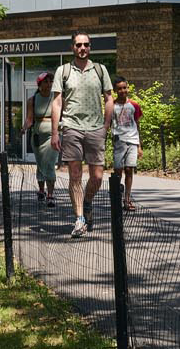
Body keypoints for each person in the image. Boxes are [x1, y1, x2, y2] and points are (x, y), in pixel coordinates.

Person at [48, 33, 112, 238]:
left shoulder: (100, 70)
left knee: (97, 177)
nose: (82, 48)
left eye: (85, 44)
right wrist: (55, 132)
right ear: (72, 47)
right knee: (75, 176)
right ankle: (79, 219)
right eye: (78, 45)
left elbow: (108, 98)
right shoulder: (63, 71)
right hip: (71, 127)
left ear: (90, 47)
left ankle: (87, 202)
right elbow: (57, 102)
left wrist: (106, 126)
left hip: (95, 128)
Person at [106, 77, 143, 212]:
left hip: (132, 140)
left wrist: (139, 146)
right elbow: (108, 123)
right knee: (118, 170)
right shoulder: (112, 106)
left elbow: (137, 124)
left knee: (129, 169)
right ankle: (117, 195)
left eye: (124, 88)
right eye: (119, 88)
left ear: (128, 88)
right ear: (115, 90)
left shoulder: (134, 105)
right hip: (119, 141)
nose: (122, 91)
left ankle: (127, 199)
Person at [25, 73, 58, 207]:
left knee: (50, 164)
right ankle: (41, 190)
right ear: (39, 85)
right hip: (37, 136)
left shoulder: (56, 99)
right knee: (40, 164)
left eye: (51, 81)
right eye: (46, 82)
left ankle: (50, 194)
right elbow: (29, 119)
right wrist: (24, 128)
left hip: (52, 136)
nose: (49, 84)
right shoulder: (32, 100)